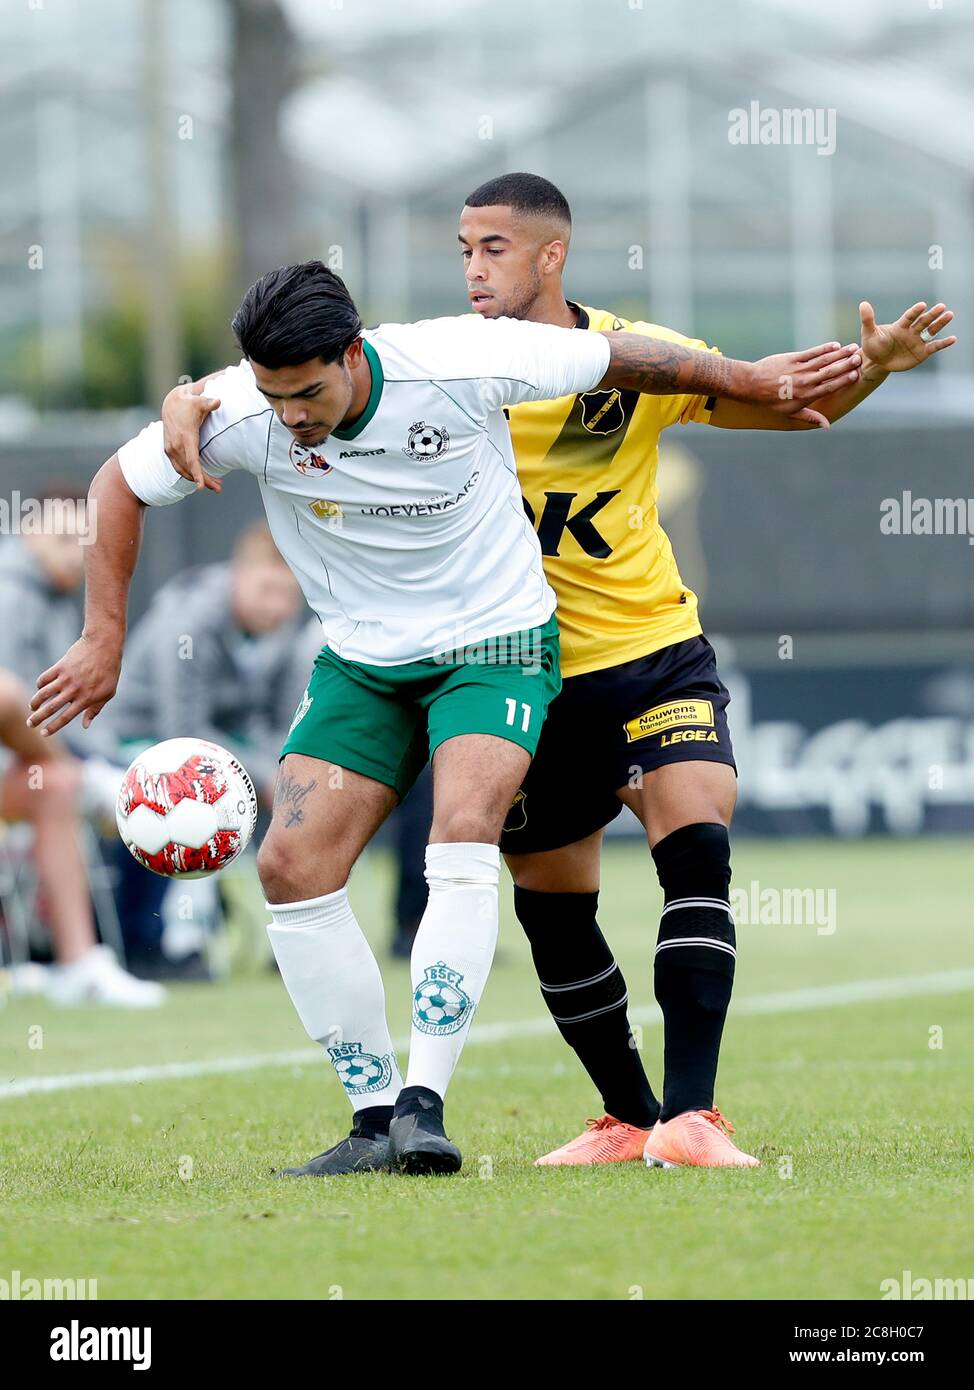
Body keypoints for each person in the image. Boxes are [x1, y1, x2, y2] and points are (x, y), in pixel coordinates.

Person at [31, 259, 861, 1177]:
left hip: (495, 643)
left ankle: (427, 1106)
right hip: (363, 661)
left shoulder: (460, 362)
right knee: (290, 864)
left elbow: (627, 357)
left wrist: (747, 379)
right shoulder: (243, 412)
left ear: (354, 352)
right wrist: (102, 636)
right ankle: (374, 1115)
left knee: (460, 830)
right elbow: (119, 483)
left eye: (309, 392)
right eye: (275, 397)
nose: (293, 416)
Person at [93, 521, 305, 977]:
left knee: (300, 792)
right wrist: (262, 773)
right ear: (238, 576)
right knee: (173, 792)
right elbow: (180, 733)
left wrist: (279, 772)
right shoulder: (187, 624)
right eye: (267, 590)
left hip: (222, 752)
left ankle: (296, 939)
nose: (278, 607)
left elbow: (280, 724)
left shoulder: (284, 631)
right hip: (133, 743)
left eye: (288, 595)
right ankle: (154, 943)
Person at [0, 492, 163, 1007]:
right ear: (27, 532)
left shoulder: (50, 596)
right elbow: (8, 695)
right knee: (97, 785)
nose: (75, 553)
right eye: (62, 538)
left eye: (83, 542)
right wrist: (86, 764)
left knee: (62, 787)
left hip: (28, 765)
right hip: (27, 755)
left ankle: (81, 964)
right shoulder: (11, 591)